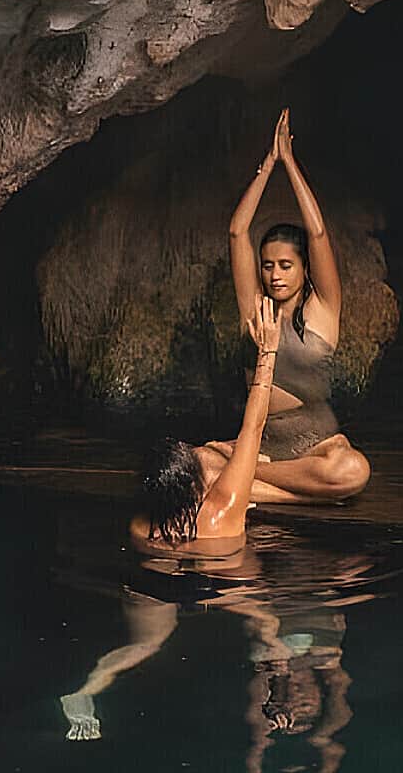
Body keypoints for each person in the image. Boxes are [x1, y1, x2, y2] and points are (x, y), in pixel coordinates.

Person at [203, 107, 370, 504]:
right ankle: (287, 491)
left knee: (352, 470)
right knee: (192, 464)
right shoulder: (255, 311)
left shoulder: (323, 310)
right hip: (259, 445)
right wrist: (266, 169)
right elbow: (236, 231)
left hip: (315, 449)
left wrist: (289, 163)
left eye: (285, 266)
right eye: (267, 266)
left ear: (303, 268)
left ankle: (246, 482)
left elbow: (317, 232)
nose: (275, 275)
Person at [129, 296, 282, 554]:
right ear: (194, 487)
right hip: (230, 590)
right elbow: (252, 428)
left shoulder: (139, 527)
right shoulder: (222, 510)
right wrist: (268, 352)